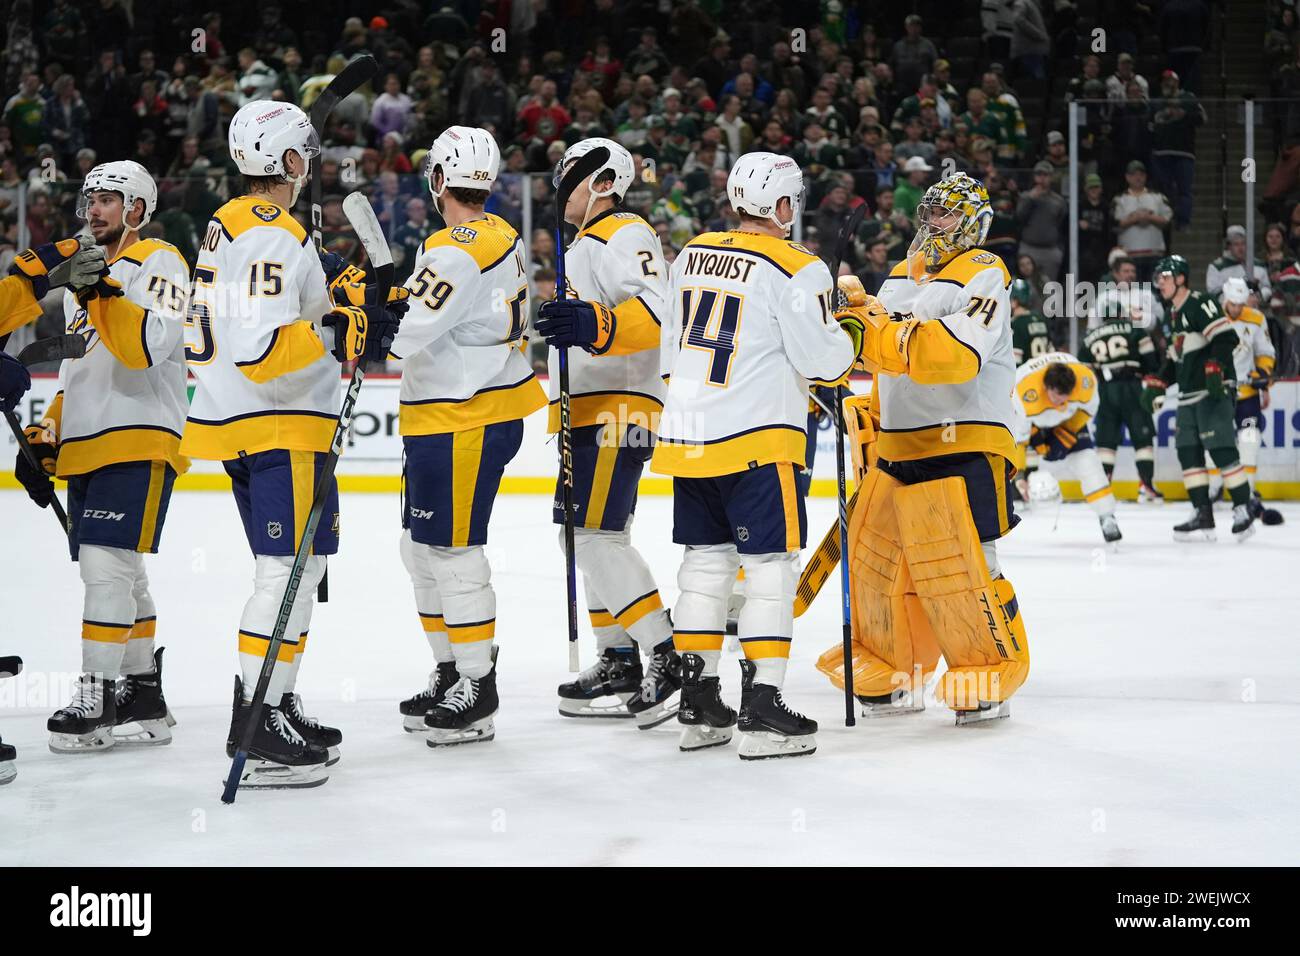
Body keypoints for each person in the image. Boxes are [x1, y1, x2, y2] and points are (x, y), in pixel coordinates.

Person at [182, 101, 402, 788]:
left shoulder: (238, 226)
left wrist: (359, 302)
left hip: (245, 424)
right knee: (284, 574)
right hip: (279, 424)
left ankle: (274, 703)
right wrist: (348, 332)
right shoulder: (271, 228)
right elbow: (262, 344)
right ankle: (256, 725)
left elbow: (300, 303)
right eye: (304, 155)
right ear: (289, 162)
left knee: (297, 573)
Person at [651, 152, 859, 759]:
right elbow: (826, 363)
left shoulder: (690, 253)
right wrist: (853, 328)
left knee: (704, 566)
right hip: (760, 440)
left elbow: (668, 348)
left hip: (689, 435)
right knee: (769, 572)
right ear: (785, 206)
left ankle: (699, 701)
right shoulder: (798, 266)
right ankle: (763, 708)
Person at [819, 172, 1029, 725]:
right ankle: (894, 666)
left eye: (947, 215)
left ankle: (986, 666)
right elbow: (878, 354)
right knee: (877, 567)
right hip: (897, 444)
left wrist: (874, 331)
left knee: (961, 564)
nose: (934, 224)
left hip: (964, 440)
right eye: (930, 213)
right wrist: (842, 336)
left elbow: (954, 353)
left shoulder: (983, 272)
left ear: (975, 222)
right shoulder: (896, 277)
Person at [11, 162, 190, 755]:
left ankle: (98, 695)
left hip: (138, 434)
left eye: (108, 200)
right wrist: (45, 434)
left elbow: (147, 347)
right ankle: (143, 693)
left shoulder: (161, 259)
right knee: (121, 574)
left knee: (105, 568)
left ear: (136, 209)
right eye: (88, 199)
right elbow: (74, 373)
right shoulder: (86, 281)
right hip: (88, 443)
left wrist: (101, 292)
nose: (93, 210)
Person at [390, 127, 545, 748]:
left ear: (437, 180)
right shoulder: (497, 233)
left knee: (451, 551)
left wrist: (370, 316)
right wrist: (396, 293)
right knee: (420, 548)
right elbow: (445, 306)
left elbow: (410, 331)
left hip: (464, 415)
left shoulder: (456, 247)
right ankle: (454, 666)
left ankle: (477, 686)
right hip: (452, 413)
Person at [533, 138, 681, 727]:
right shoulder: (587, 242)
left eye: (569, 174)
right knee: (586, 537)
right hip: (593, 406)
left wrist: (590, 321)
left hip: (618, 407)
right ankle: (619, 657)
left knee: (592, 538)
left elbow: (655, 310)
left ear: (599, 181)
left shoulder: (625, 230)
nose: (557, 184)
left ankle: (664, 652)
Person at [1142, 255, 1255, 541]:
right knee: (1188, 451)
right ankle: (1202, 512)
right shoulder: (1175, 313)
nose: (1160, 283)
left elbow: (1226, 337)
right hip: (1188, 395)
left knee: (1221, 449)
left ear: (1180, 278)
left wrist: (1215, 366)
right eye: (1158, 279)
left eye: (1165, 277)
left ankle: (1243, 506)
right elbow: (1177, 358)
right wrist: (1159, 380)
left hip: (1211, 391)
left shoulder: (1199, 302)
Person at [1012, 353, 1122, 543]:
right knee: (1014, 467)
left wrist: (1067, 433)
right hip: (1037, 424)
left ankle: (1107, 516)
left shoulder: (1086, 380)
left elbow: (1089, 410)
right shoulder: (1023, 392)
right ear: (1046, 388)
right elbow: (1019, 439)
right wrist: (1019, 474)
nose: (1061, 404)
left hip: (1071, 420)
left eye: (1066, 398)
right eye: (1056, 398)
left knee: (1088, 463)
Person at [1079, 291, 1163, 501]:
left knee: (1106, 442)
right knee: (1142, 440)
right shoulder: (1136, 330)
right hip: (1133, 387)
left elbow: (1085, 373)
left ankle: (1104, 488)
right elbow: (1151, 362)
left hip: (1106, 391)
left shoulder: (1090, 337)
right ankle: (1146, 487)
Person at [1219, 277, 1282, 525]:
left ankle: (1247, 493)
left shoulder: (1255, 318)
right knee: (1218, 446)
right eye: (1232, 303)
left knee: (1250, 439)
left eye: (1240, 303)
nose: (1236, 308)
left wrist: (1264, 376)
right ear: (1225, 298)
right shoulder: (1211, 316)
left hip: (1246, 394)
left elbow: (1265, 351)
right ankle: (1214, 491)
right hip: (1218, 394)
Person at [1009, 277, 1052, 364]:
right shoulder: (1040, 319)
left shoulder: (1015, 324)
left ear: (1014, 302)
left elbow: (1016, 362)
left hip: (1027, 374)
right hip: (1045, 372)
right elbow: (1051, 351)